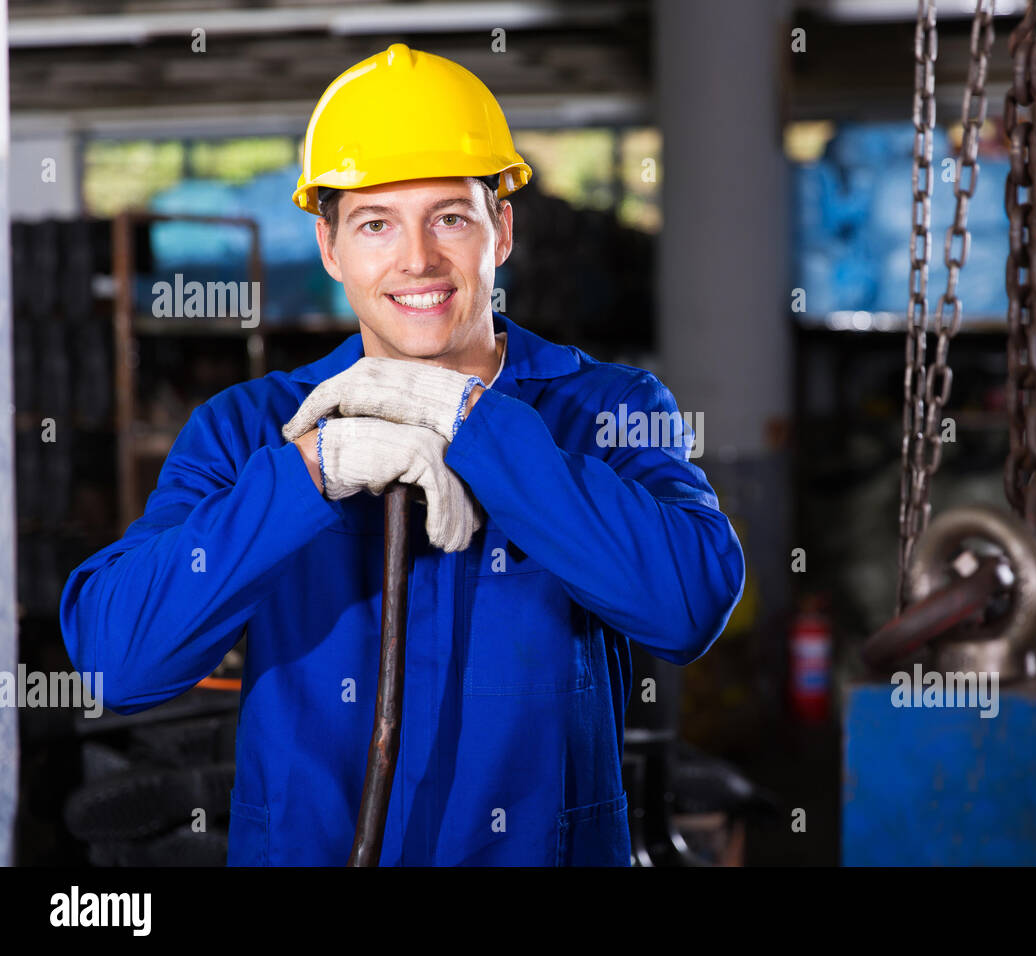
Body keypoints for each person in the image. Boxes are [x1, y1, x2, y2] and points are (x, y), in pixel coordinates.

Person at [59, 43, 745, 866]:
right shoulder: (252, 428)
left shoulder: (605, 409)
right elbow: (118, 661)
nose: (417, 259)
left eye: (450, 216)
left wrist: (477, 426)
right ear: (329, 247)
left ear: (503, 228)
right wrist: (307, 474)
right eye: (376, 223)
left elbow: (689, 605)